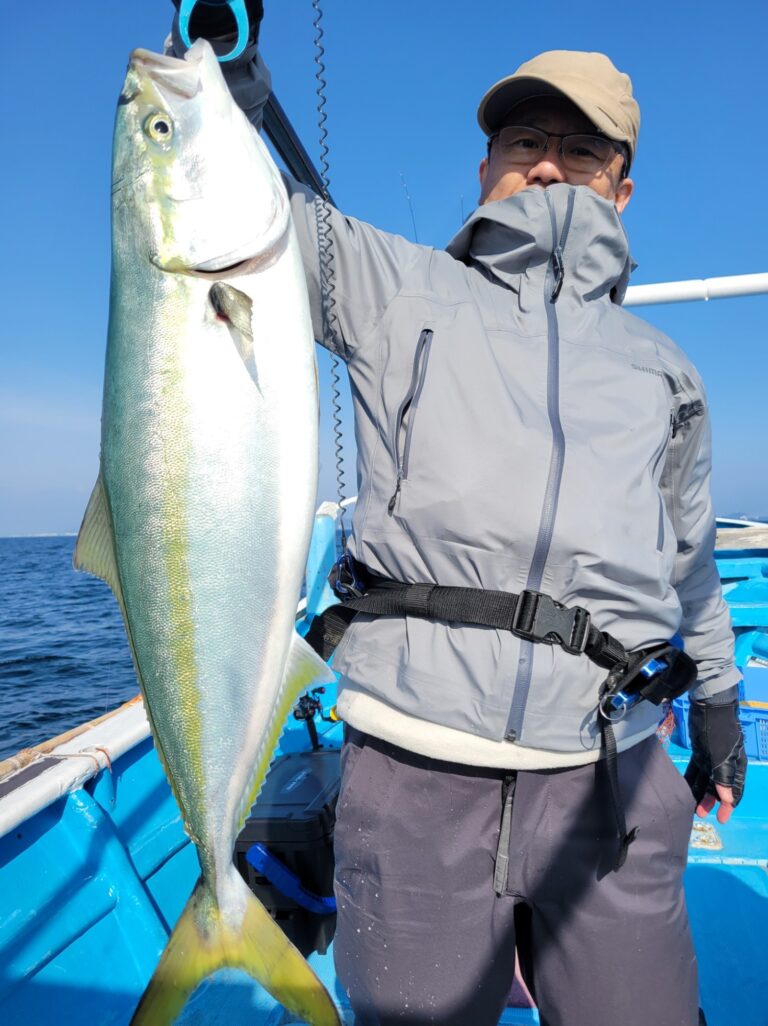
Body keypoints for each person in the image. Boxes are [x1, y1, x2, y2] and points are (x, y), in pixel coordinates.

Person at [169, 6, 747, 1024]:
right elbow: (237, 206)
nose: (548, 166)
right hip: (411, 774)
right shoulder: (397, 287)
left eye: (581, 149)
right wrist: (222, 66)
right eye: (523, 142)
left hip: (608, 778)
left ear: (622, 185)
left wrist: (717, 709)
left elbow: (691, 564)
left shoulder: (667, 373)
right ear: (485, 169)